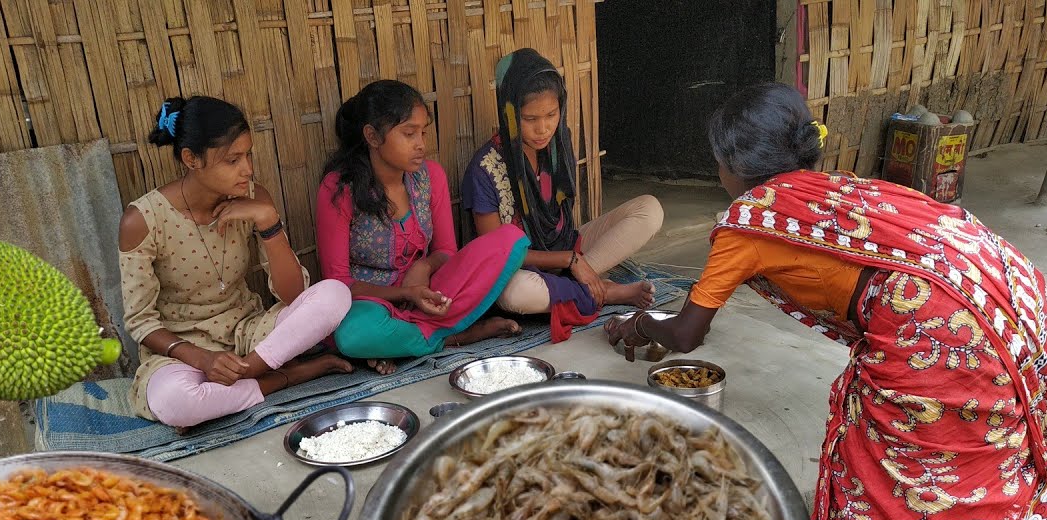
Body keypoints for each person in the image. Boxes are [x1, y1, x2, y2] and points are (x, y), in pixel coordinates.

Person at [607, 82, 1047, 520]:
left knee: (900, 501)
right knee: (979, 478)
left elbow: (686, 334)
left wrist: (640, 326)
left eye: (716, 162)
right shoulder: (839, 190)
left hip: (937, 337)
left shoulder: (749, 221)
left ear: (733, 167)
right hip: (1000, 306)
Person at [118, 95, 353, 428]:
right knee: (175, 402)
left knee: (335, 295)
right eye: (232, 160)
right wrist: (202, 359)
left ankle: (245, 375)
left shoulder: (254, 198)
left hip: (249, 335)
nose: (248, 169)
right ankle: (285, 377)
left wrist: (268, 221)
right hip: (184, 351)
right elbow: (140, 321)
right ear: (191, 159)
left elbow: (293, 295)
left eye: (248, 155)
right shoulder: (142, 220)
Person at [316, 80, 529, 373]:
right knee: (353, 335)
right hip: (371, 302)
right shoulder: (339, 189)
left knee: (511, 240)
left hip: (430, 291)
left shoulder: (431, 177)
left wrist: (424, 267)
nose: (421, 144)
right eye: (409, 133)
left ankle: (402, 340)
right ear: (373, 136)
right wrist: (406, 294)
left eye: (423, 132)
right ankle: (453, 336)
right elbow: (338, 284)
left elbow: (447, 251)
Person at [461, 48, 662, 341]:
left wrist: (574, 259)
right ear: (509, 113)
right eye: (530, 118)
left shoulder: (558, 145)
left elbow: (564, 229)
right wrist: (570, 261)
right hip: (522, 268)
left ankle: (578, 286)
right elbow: (498, 255)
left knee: (649, 209)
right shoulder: (485, 168)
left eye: (551, 115)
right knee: (515, 293)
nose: (543, 129)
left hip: (567, 247)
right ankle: (603, 291)